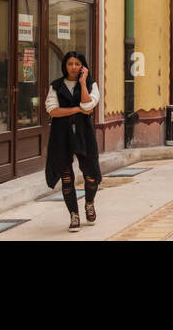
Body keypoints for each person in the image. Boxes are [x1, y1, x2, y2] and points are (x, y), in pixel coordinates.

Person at [45, 51, 101, 231]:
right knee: (67, 177)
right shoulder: (56, 86)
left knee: (91, 174)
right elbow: (52, 111)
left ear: (82, 66)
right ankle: (74, 215)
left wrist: (83, 83)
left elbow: (88, 105)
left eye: (77, 64)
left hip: (84, 133)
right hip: (61, 134)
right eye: (70, 64)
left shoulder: (91, 84)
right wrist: (77, 109)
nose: (74, 67)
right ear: (65, 66)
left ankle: (89, 203)